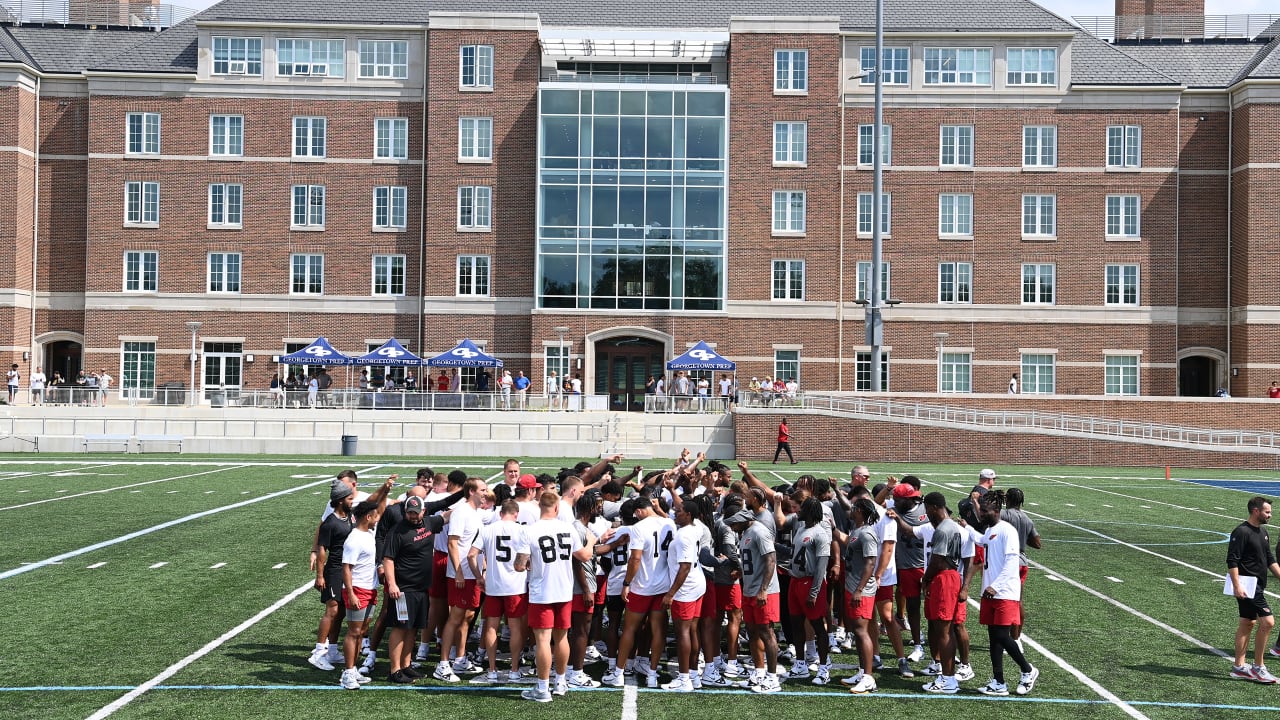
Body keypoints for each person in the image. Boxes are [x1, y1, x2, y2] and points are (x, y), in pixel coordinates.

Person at [515, 490, 596, 702]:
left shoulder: (530, 531)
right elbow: (585, 556)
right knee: (561, 637)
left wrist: (527, 563)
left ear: (540, 507)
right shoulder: (567, 528)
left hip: (542, 592)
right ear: (557, 508)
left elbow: (519, 565)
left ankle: (542, 688)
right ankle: (560, 682)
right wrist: (591, 541)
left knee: (543, 640)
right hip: (564, 590)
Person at [964, 491, 1039, 696]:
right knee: (993, 638)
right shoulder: (991, 530)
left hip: (1004, 591)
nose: (982, 514)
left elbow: (1012, 562)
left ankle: (1028, 670)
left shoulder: (1007, 530)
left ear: (996, 511)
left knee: (1001, 636)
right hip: (991, 592)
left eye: (985, 511)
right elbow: (982, 541)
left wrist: (995, 586)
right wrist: (967, 528)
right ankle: (999, 681)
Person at [602, 492, 675, 689]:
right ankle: (652, 674)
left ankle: (618, 673)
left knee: (629, 629)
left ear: (640, 511)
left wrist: (626, 583)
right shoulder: (668, 523)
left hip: (642, 586)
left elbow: (634, 559)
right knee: (658, 630)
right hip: (663, 585)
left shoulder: (638, 528)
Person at [382, 492, 457, 684]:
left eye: (416, 512)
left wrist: (468, 507)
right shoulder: (397, 531)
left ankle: (406, 666)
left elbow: (446, 516)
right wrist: (392, 584)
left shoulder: (429, 523)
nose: (413, 516)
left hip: (422, 588)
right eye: (410, 513)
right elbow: (388, 559)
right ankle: (395, 670)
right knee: (400, 628)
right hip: (403, 589)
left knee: (413, 628)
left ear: (423, 511)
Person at [338, 482, 395, 690]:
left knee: (362, 631)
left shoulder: (368, 534)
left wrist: (385, 491)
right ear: (367, 517)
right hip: (358, 590)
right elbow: (346, 569)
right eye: (375, 515)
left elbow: (378, 506)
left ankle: (353, 670)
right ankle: (347, 672)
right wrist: (351, 594)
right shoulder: (354, 539)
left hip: (369, 589)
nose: (378, 517)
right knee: (353, 632)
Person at [468, 498, 530, 683]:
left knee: (491, 627)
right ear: (516, 514)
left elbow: (472, 554)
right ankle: (514, 669)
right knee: (515, 628)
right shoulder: (522, 530)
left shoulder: (488, 530)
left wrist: (479, 576)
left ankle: (492, 669)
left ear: (501, 513)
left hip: (493, 586)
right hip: (516, 586)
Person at [435, 478, 489, 682]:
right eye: (483, 490)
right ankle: (443, 664)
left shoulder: (475, 513)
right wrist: (458, 571)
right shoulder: (461, 512)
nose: (486, 493)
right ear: (472, 491)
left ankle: (459, 658)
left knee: (467, 617)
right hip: (462, 575)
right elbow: (452, 544)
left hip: (471, 574)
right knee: (456, 617)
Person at [1229, 496, 1280, 683]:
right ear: (1255, 511)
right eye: (1267, 512)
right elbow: (1232, 560)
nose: (1270, 515)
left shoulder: (1263, 532)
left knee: (1247, 623)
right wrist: (1236, 586)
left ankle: (1239, 667)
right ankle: (1259, 667)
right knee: (1268, 622)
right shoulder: (1241, 532)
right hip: (1247, 587)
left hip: (1258, 585)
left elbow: (1270, 559)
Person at [662, 497, 708, 692]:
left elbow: (684, 568)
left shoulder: (683, 536)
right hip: (697, 584)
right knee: (692, 631)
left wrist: (671, 593)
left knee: (683, 633)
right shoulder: (695, 527)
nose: (674, 512)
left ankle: (684, 679)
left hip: (685, 589)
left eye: (679, 510)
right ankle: (693, 675)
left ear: (688, 515)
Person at [842, 496, 881, 694]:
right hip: (853, 587)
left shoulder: (867, 534)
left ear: (860, 511)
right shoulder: (857, 531)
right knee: (857, 632)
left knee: (861, 631)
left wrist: (859, 589)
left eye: (854, 507)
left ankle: (868, 677)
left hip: (861, 590)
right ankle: (861, 671)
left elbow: (870, 564)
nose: (851, 509)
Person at [1000, 488, 1042, 642]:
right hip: (1022, 561)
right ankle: (1016, 639)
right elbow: (1037, 543)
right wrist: (1022, 539)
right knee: (1018, 601)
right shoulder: (1027, 518)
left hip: (1009, 562)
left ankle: (1009, 638)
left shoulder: (1004, 515)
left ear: (1007, 499)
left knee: (1005, 601)